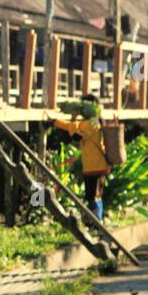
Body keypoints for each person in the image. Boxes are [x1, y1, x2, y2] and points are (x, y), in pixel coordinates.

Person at [54, 93, 109, 221]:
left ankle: (98, 222)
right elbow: (72, 127)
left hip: (94, 166)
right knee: (95, 195)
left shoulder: (90, 124)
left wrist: (73, 119)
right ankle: (97, 221)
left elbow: (76, 136)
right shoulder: (93, 121)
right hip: (95, 165)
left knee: (93, 196)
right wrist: (56, 122)